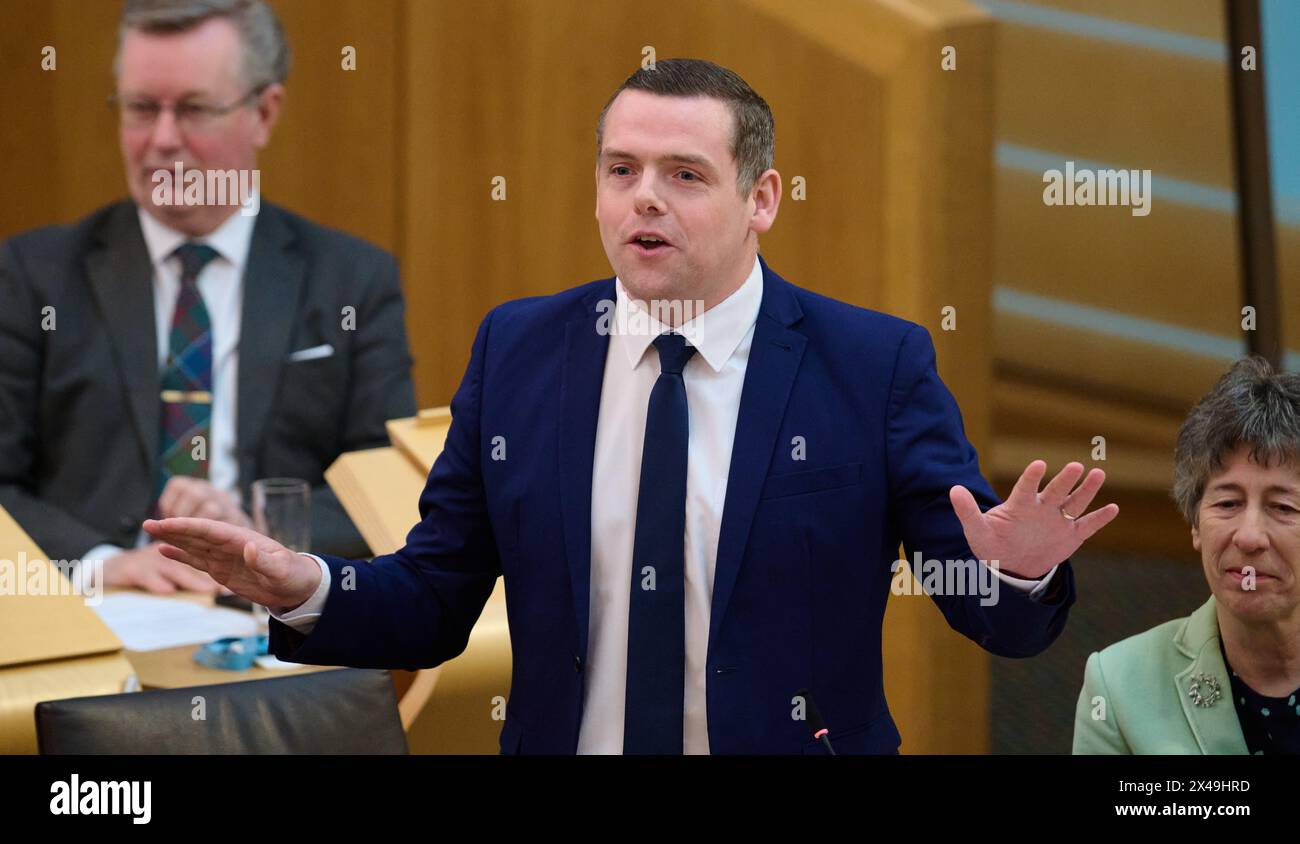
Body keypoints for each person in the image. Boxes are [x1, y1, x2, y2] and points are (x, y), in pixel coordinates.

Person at [148, 59, 1117, 754]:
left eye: (683, 174)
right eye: (621, 170)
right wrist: (303, 585)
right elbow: (436, 599)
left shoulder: (871, 363)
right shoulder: (519, 349)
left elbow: (984, 609)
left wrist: (1016, 575)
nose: (642, 198)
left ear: (762, 196)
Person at [0, 0, 416, 593]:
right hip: (98, 618)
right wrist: (96, 566)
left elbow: (387, 488)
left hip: (277, 629)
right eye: (142, 108)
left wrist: (261, 536)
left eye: (194, 109)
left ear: (265, 112)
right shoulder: (34, 275)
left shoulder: (352, 279)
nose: (163, 140)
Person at [1073, 356, 1300, 754]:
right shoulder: (1119, 686)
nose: (1249, 537)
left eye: (1283, 508)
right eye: (1227, 504)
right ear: (1196, 524)